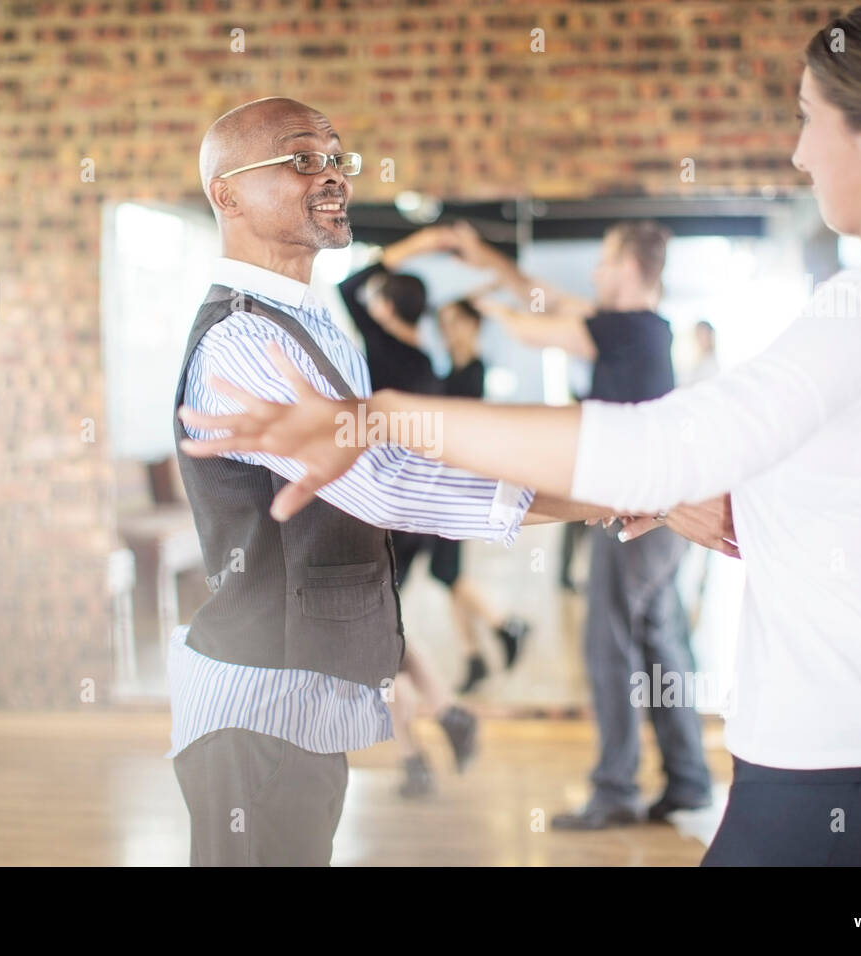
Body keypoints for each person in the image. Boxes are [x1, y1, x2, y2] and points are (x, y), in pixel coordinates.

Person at [180, 0, 861, 866]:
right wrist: (685, 497)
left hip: (852, 798)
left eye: (809, 119)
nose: (797, 151)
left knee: (626, 645)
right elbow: (787, 480)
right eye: (301, 160)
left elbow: (659, 447)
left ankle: (628, 782)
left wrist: (383, 418)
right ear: (226, 193)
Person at [170, 96, 614, 865]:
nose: (334, 175)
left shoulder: (315, 323)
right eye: (303, 159)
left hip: (302, 696)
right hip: (256, 706)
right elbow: (385, 486)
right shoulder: (243, 337)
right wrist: (610, 493)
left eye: (338, 158)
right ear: (227, 194)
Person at [466, 221, 715, 827]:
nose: (598, 273)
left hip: (631, 512)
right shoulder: (648, 328)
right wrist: (492, 265)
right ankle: (687, 779)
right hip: (662, 516)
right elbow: (545, 297)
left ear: (629, 269)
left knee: (609, 645)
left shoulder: (620, 328)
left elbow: (532, 325)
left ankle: (616, 790)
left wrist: (486, 310)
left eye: (605, 262)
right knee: (658, 641)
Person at [337, 232, 532, 697]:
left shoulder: (394, 352)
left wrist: (422, 242)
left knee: (390, 599)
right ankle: (471, 659)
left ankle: (432, 682)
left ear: (385, 307)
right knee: (432, 583)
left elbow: (349, 286)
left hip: (411, 501)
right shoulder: (428, 366)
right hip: (427, 498)